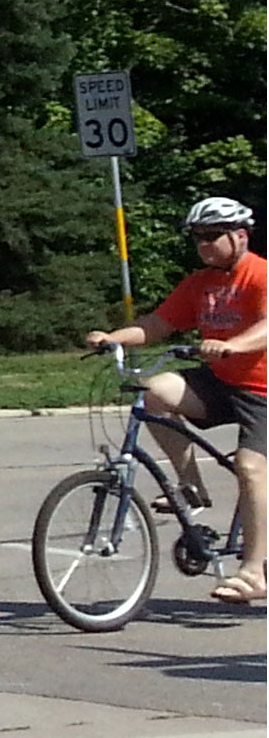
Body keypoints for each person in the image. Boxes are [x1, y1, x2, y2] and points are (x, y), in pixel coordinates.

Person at [85, 195, 267, 605]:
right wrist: (113, 338)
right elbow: (157, 324)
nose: (204, 244)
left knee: (250, 467)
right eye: (197, 237)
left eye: (212, 235)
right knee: (154, 391)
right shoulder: (199, 284)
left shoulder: (260, 275)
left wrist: (233, 345)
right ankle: (190, 487)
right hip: (221, 381)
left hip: (263, 389)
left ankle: (255, 573)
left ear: (240, 236)